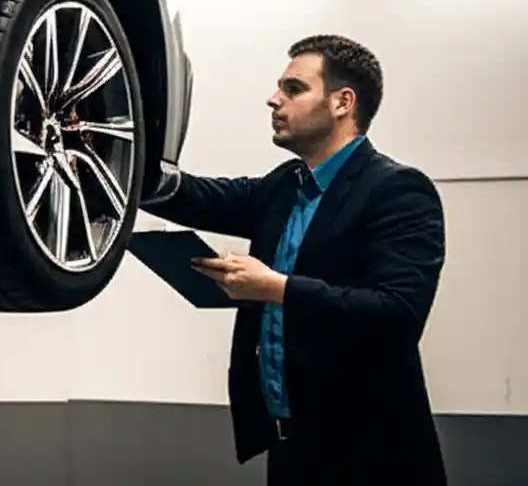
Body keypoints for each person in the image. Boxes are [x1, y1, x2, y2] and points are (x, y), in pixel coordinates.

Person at [143, 34, 447, 485]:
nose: (273, 99)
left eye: (293, 89)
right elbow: (195, 196)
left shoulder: (398, 191)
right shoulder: (283, 186)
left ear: (343, 102)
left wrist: (275, 288)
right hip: (289, 451)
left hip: (374, 457)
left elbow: (397, 313)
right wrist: (113, 155)